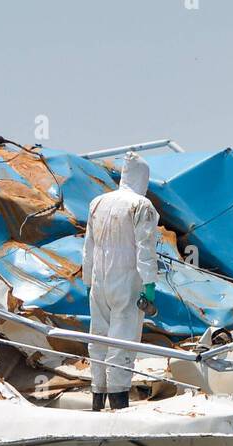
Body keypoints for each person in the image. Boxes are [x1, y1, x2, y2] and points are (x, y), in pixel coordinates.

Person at [81, 150, 159, 409]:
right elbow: (145, 249)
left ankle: (96, 402)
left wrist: (87, 281)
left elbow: (88, 247)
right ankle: (118, 406)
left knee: (99, 340)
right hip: (127, 283)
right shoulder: (141, 205)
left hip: (99, 283)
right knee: (121, 344)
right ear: (143, 178)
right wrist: (149, 285)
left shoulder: (97, 202)